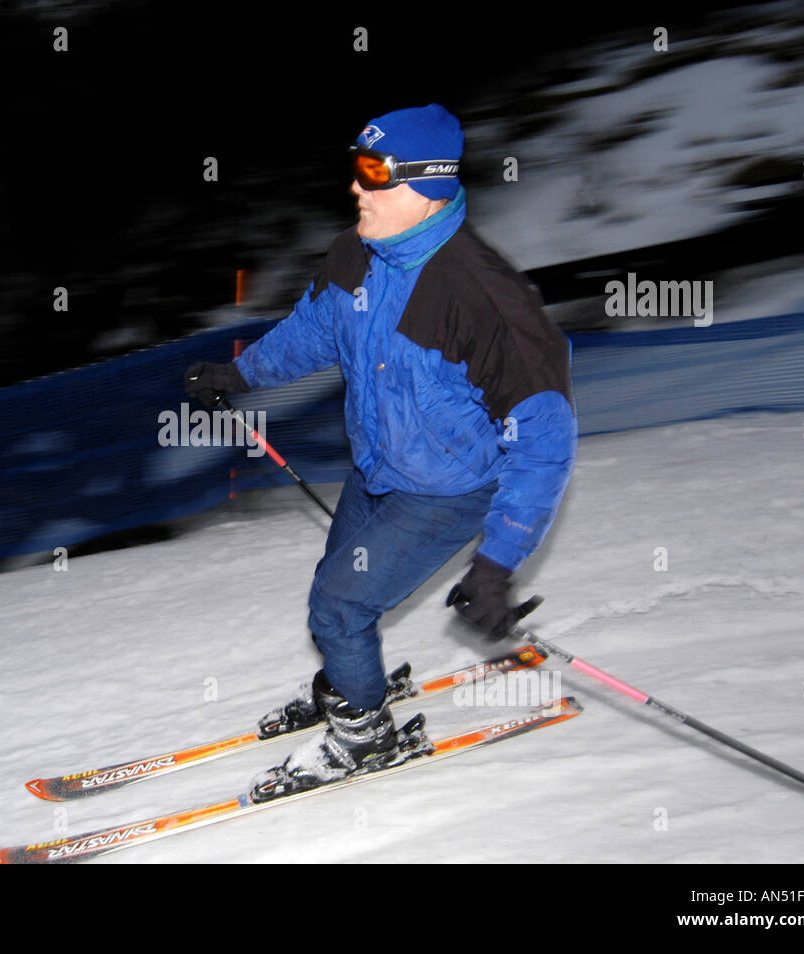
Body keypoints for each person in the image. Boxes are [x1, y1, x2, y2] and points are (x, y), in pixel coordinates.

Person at [184, 103, 577, 796]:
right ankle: (352, 680)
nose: (355, 188)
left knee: (338, 604)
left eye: (373, 173)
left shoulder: (484, 298)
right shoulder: (355, 253)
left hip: (448, 490)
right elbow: (312, 332)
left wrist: (497, 564)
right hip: (376, 470)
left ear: (426, 184)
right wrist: (239, 375)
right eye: (356, 169)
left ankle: (364, 734)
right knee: (337, 587)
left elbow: (545, 440)